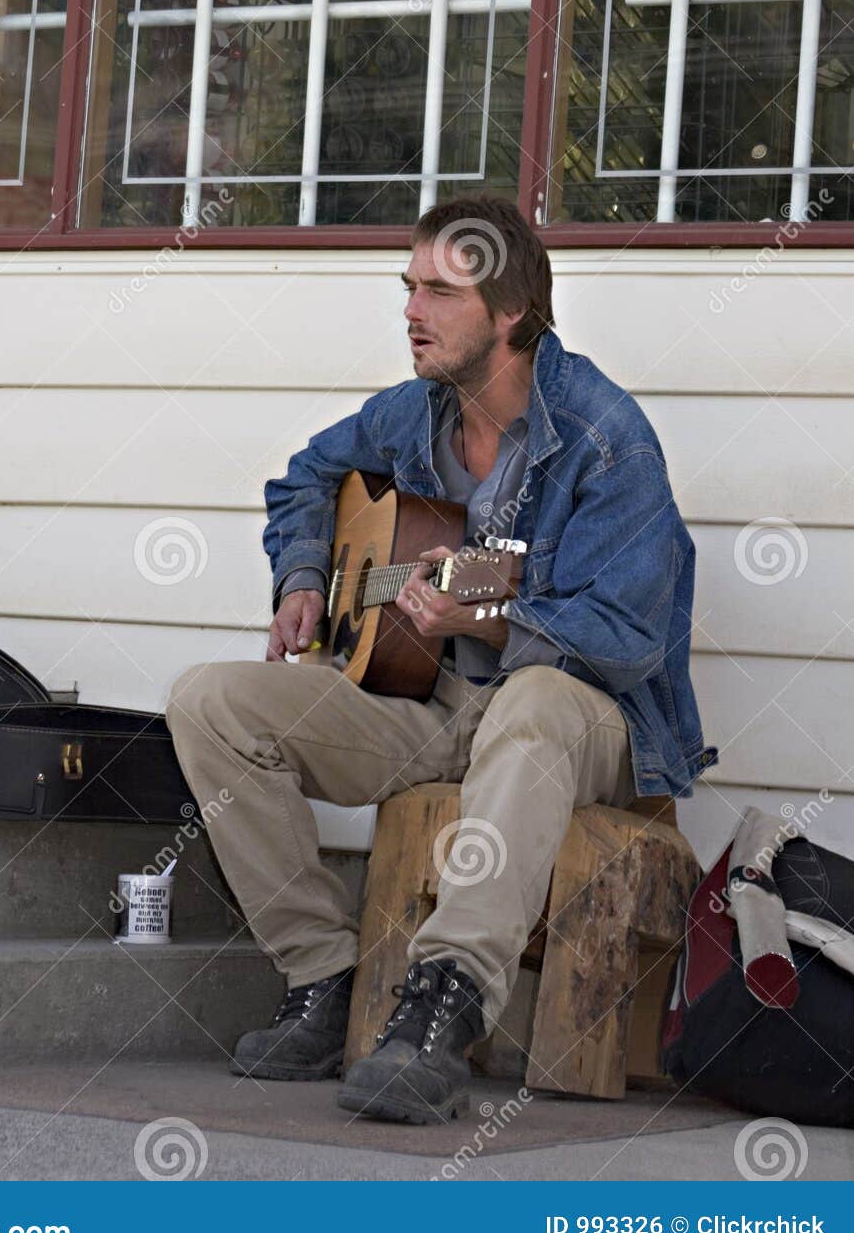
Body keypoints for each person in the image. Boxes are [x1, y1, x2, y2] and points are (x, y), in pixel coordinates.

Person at [166, 193, 716, 1124]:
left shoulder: (605, 438)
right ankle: (322, 978)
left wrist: (493, 618)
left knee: (534, 697)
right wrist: (305, 575)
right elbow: (304, 474)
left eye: (439, 293)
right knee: (211, 701)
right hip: (439, 700)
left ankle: (443, 1000)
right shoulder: (408, 415)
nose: (411, 313)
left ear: (508, 313)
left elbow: (625, 642)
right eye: (408, 287)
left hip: (584, 719)